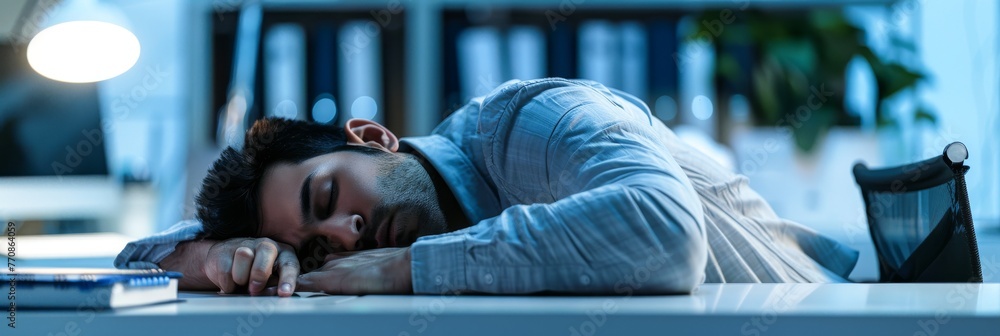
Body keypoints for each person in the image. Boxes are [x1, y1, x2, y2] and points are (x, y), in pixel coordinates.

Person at [116, 78, 858, 296]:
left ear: (372, 137)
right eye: (313, 251)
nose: (344, 236)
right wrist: (221, 258)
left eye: (328, 198)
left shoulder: (535, 122)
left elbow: (666, 234)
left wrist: (413, 268)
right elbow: (136, 259)